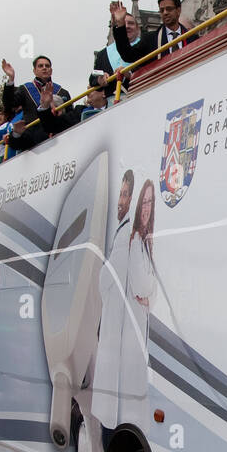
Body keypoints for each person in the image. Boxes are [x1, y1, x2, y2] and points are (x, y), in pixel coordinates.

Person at [92, 170, 137, 438]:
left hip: (116, 340)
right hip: (112, 337)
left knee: (110, 421)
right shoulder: (121, 230)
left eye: (124, 195)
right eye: (119, 194)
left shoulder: (125, 233)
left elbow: (107, 277)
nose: (119, 201)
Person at [118, 180, 158, 431]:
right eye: (144, 201)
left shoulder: (146, 241)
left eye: (150, 202)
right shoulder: (134, 240)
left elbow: (150, 293)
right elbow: (143, 287)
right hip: (131, 341)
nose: (146, 207)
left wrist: (147, 295)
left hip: (141, 337)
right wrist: (146, 294)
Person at [1, 56, 71, 152]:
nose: (44, 68)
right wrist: (11, 79)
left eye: (47, 66)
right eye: (40, 66)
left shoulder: (62, 92)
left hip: (61, 139)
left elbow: (70, 115)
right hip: (34, 142)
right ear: (34, 71)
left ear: (51, 70)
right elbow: (9, 104)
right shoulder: (25, 90)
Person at [111, 0, 196, 67]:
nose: (165, 13)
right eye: (162, 10)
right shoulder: (150, 39)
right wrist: (120, 23)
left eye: (169, 9)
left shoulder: (193, 37)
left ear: (178, 10)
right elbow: (128, 55)